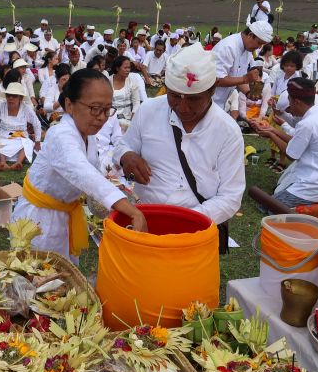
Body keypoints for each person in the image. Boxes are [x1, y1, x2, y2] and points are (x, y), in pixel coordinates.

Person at [12, 69, 147, 260]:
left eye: (107, 110)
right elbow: (84, 174)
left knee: (64, 277)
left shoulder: (88, 136)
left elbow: (93, 175)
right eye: (95, 108)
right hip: (37, 220)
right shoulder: (60, 135)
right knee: (38, 276)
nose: (101, 117)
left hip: (65, 214)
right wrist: (131, 210)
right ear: (69, 105)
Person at [116, 44, 245, 239]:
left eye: (193, 99)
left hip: (196, 229)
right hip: (145, 219)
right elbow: (123, 146)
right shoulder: (148, 110)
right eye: (175, 96)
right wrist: (126, 155)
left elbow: (231, 196)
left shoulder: (228, 131)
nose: (183, 108)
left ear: (212, 91)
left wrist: (184, 220)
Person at [252, 78, 318, 214]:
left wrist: (271, 134)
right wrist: (273, 130)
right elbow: (297, 140)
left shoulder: (308, 122)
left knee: (267, 208)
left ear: (297, 102)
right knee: (276, 194)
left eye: (290, 103)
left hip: (315, 184)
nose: (290, 110)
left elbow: (290, 154)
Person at [212, 20, 272, 109]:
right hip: (209, 101)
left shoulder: (247, 50)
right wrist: (245, 78)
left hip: (221, 103)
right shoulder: (228, 47)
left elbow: (237, 78)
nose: (259, 47)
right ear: (250, 35)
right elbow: (215, 79)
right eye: (259, 43)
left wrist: (248, 93)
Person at [261, 50, 303, 173]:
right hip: (275, 107)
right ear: (282, 65)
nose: (289, 68)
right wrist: (270, 100)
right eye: (286, 65)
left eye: (292, 66)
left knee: (282, 134)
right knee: (271, 132)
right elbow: (273, 91)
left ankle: (282, 160)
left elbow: (295, 97)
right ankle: (272, 156)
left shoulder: (297, 79)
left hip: (288, 110)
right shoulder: (280, 77)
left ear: (297, 66)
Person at [0, 82, 42, 171]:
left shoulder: (26, 108)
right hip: (4, 136)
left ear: (20, 98)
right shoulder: (1, 106)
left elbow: (36, 123)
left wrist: (38, 141)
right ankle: (3, 163)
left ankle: (18, 162)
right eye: (8, 95)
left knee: (27, 143)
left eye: (14, 96)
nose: (10, 98)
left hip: (21, 137)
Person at [109, 56, 140, 124]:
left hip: (127, 117)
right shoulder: (107, 81)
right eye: (125, 68)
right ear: (117, 68)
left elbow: (136, 103)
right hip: (110, 117)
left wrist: (132, 119)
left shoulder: (132, 82)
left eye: (129, 67)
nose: (128, 70)